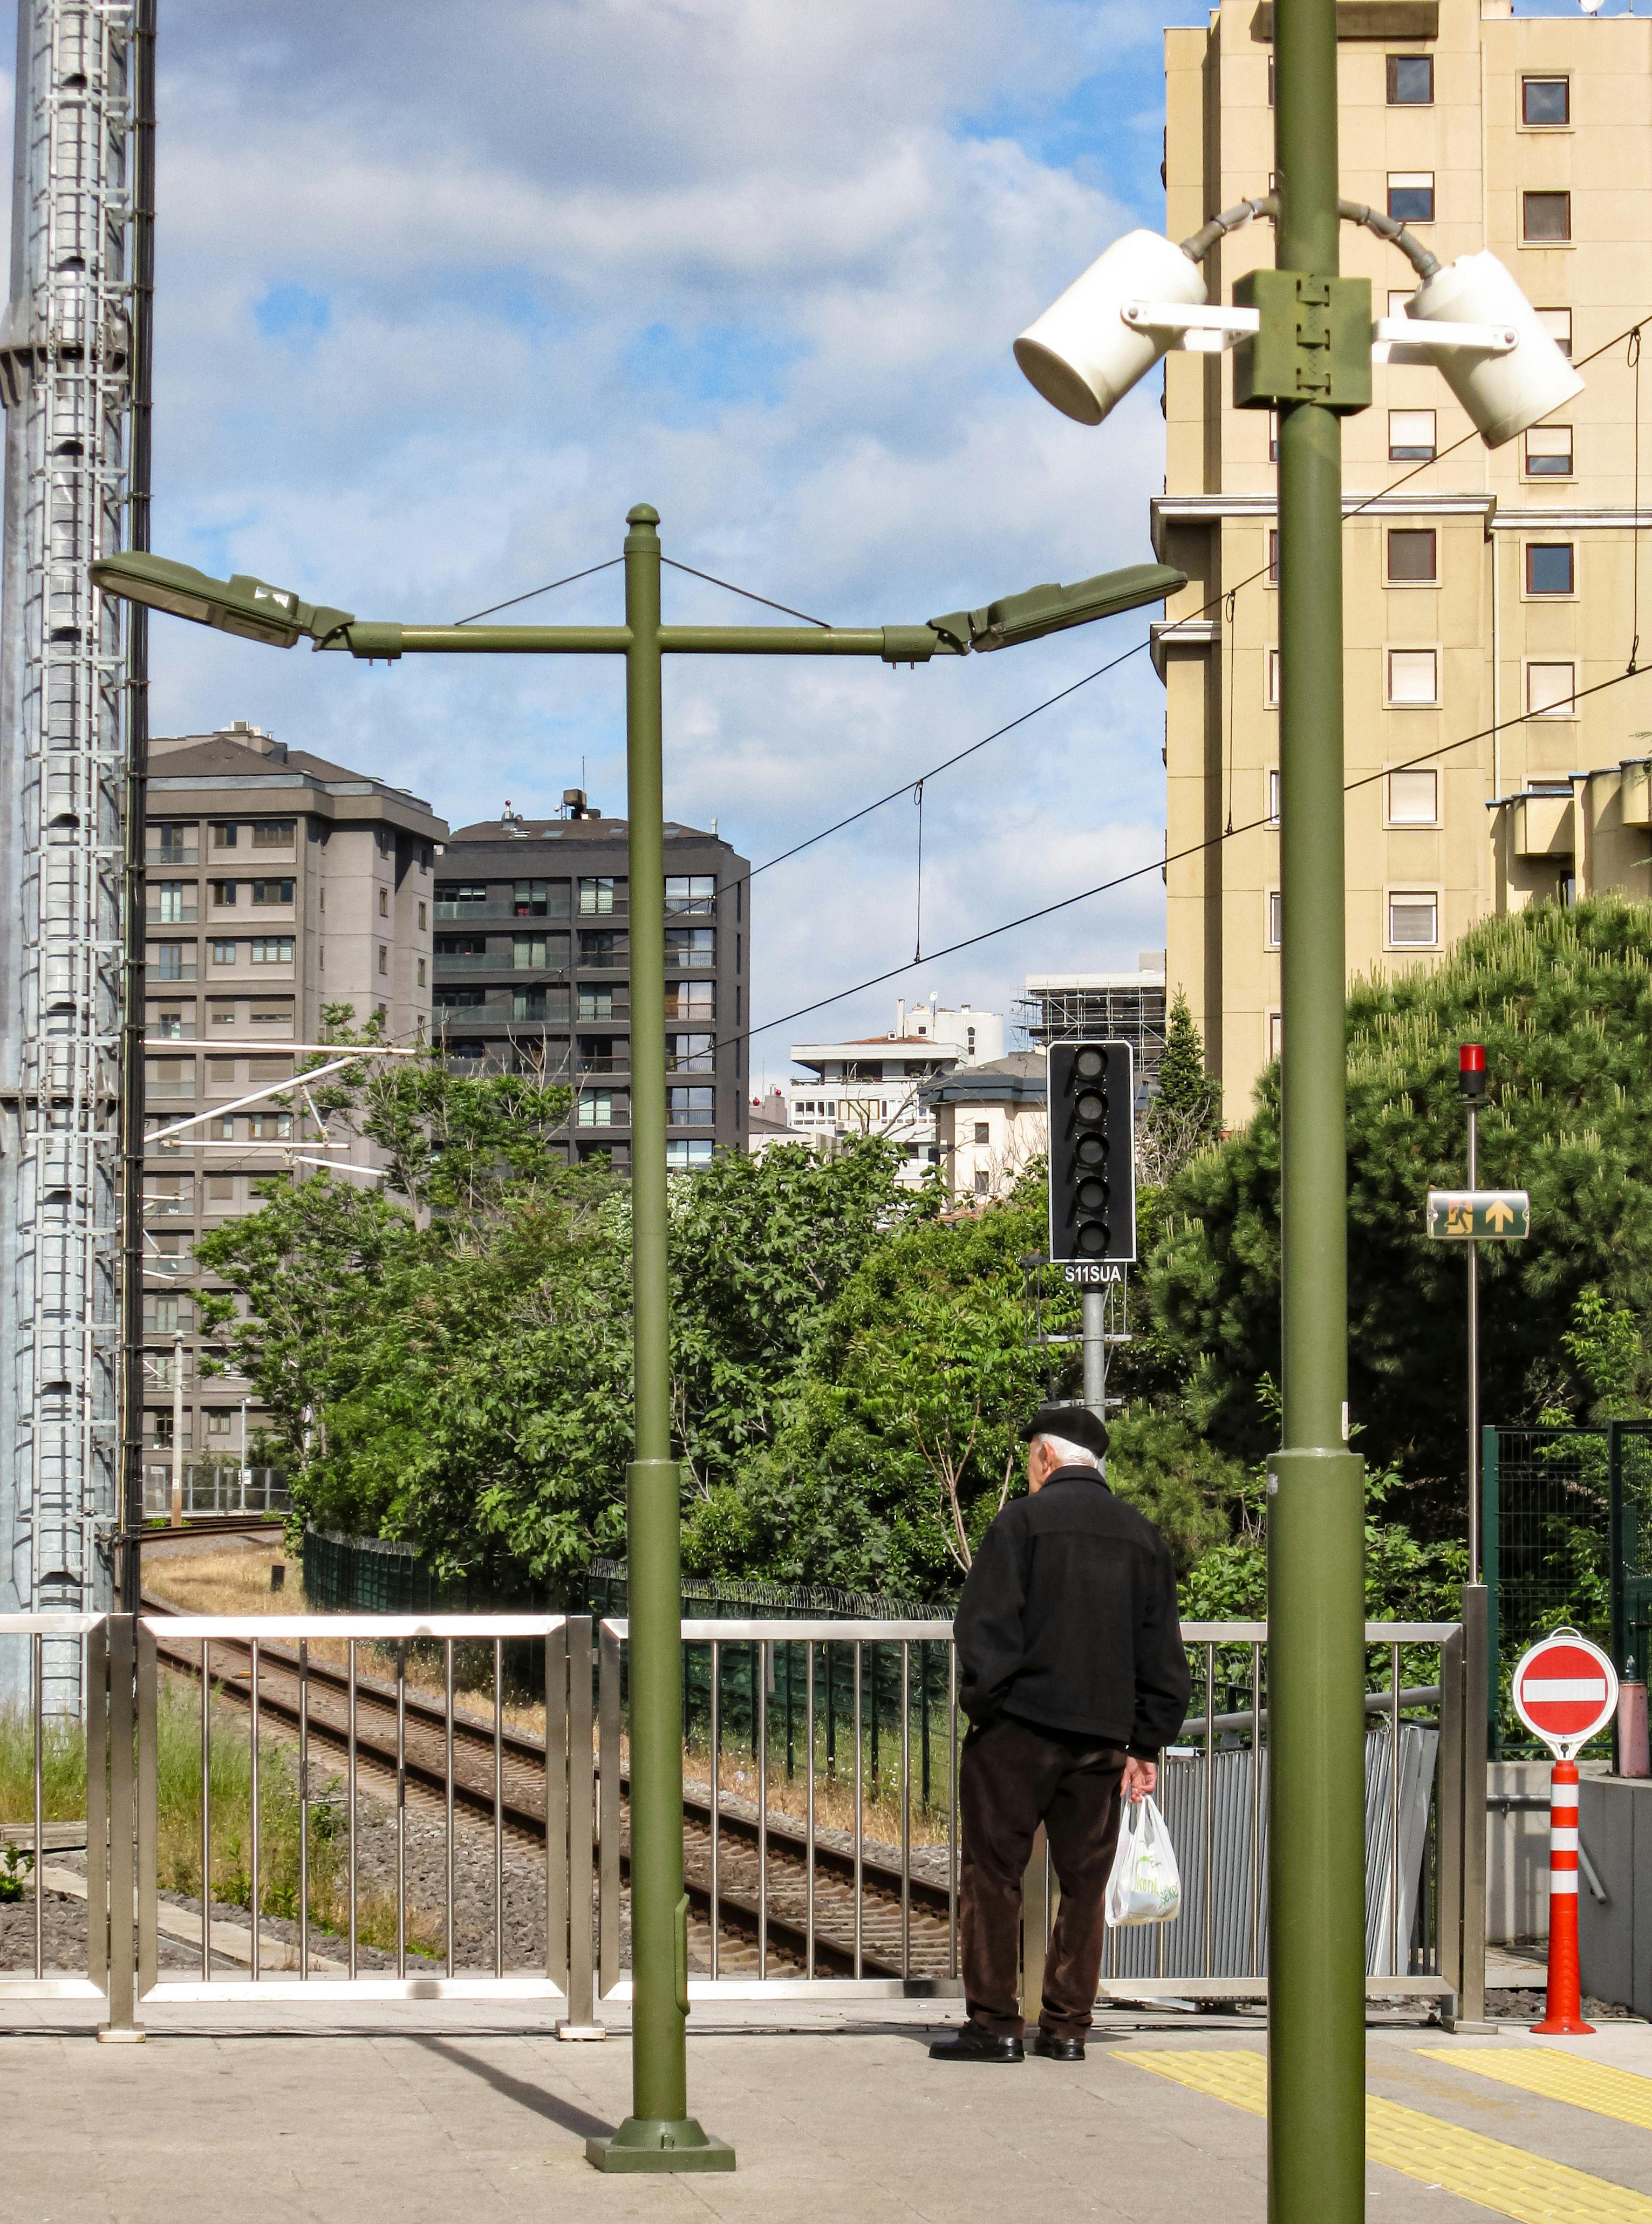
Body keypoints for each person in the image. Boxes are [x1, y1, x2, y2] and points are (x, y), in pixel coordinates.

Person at [930, 1403, 1189, 2064]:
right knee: (1083, 1883)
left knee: (993, 1876)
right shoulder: (1141, 1536)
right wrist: (1145, 1743)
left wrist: (987, 1708)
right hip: (1103, 1740)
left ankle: (994, 2027)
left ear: (1045, 1457)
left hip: (1016, 1732)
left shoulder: (1019, 1523)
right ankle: (1068, 2028)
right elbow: (1162, 1653)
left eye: (1028, 1460)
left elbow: (983, 1629)